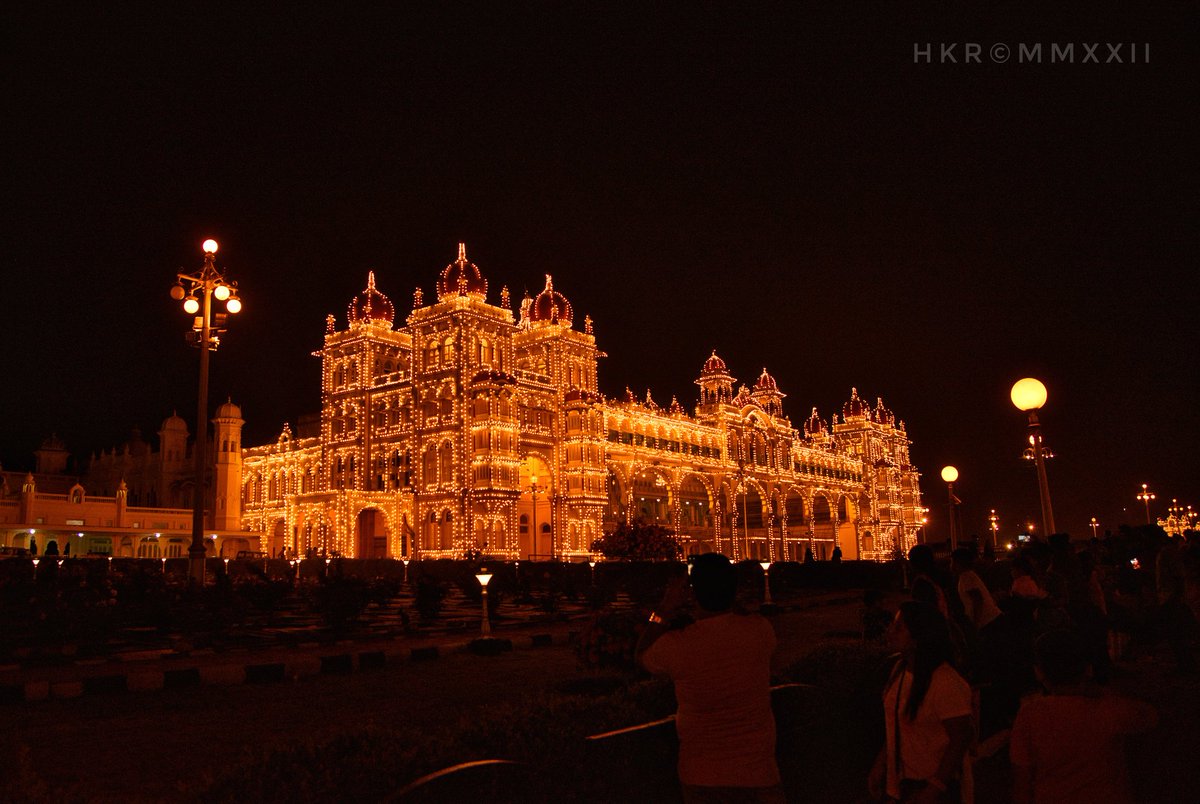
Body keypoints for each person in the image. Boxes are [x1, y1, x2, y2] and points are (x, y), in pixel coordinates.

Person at [637, 553, 784, 803]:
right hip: (758, 773)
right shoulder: (760, 632)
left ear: (692, 594)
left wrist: (664, 609)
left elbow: (641, 657)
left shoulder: (678, 645)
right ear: (734, 589)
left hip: (702, 776)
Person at [1010, 629, 1158, 804]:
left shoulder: (1029, 715)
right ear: (1087, 669)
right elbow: (1150, 716)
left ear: (1039, 671)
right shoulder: (1108, 708)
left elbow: (1023, 785)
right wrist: (1103, 692)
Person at [869, 601, 973, 802]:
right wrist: (882, 762)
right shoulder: (900, 669)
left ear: (917, 638)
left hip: (929, 786)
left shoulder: (944, 681)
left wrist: (934, 788)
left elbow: (961, 737)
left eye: (899, 628)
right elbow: (897, 722)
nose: (890, 631)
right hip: (901, 784)